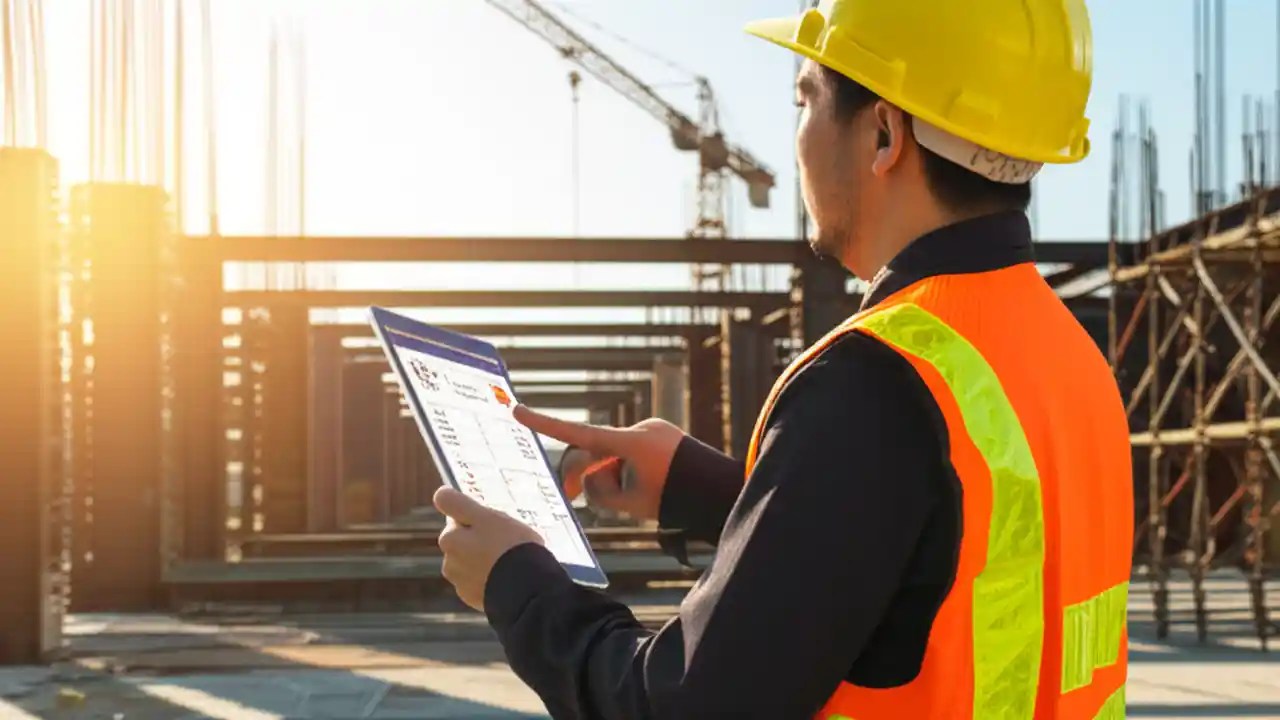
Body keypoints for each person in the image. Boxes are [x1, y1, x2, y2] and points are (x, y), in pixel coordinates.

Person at [431, 0, 1133, 717]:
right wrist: (700, 488)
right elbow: (941, 560)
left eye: (805, 100)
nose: (796, 137)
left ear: (884, 134)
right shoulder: (1067, 354)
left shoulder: (876, 380)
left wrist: (517, 585)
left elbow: (681, 708)